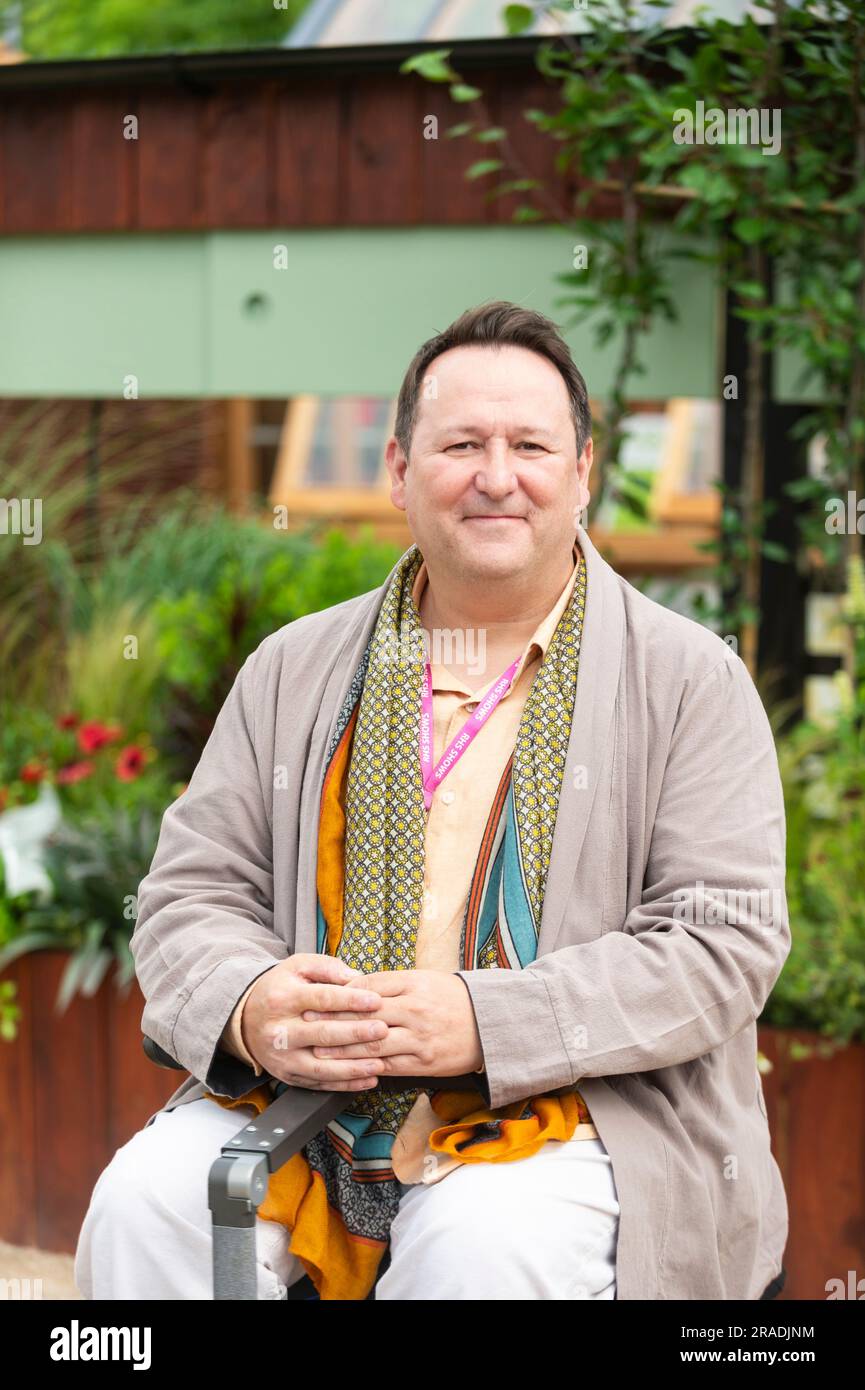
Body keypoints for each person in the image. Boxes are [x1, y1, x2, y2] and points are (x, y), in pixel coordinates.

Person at [75, 300, 789, 1301]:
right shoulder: (293, 668)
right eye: (461, 444)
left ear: (582, 471)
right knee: (147, 1204)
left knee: (477, 1242)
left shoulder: (687, 679)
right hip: (308, 1095)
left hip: (589, 1109)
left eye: (530, 445)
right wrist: (251, 1004)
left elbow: (722, 942)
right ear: (401, 472)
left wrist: (488, 1021)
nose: (497, 476)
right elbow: (191, 896)